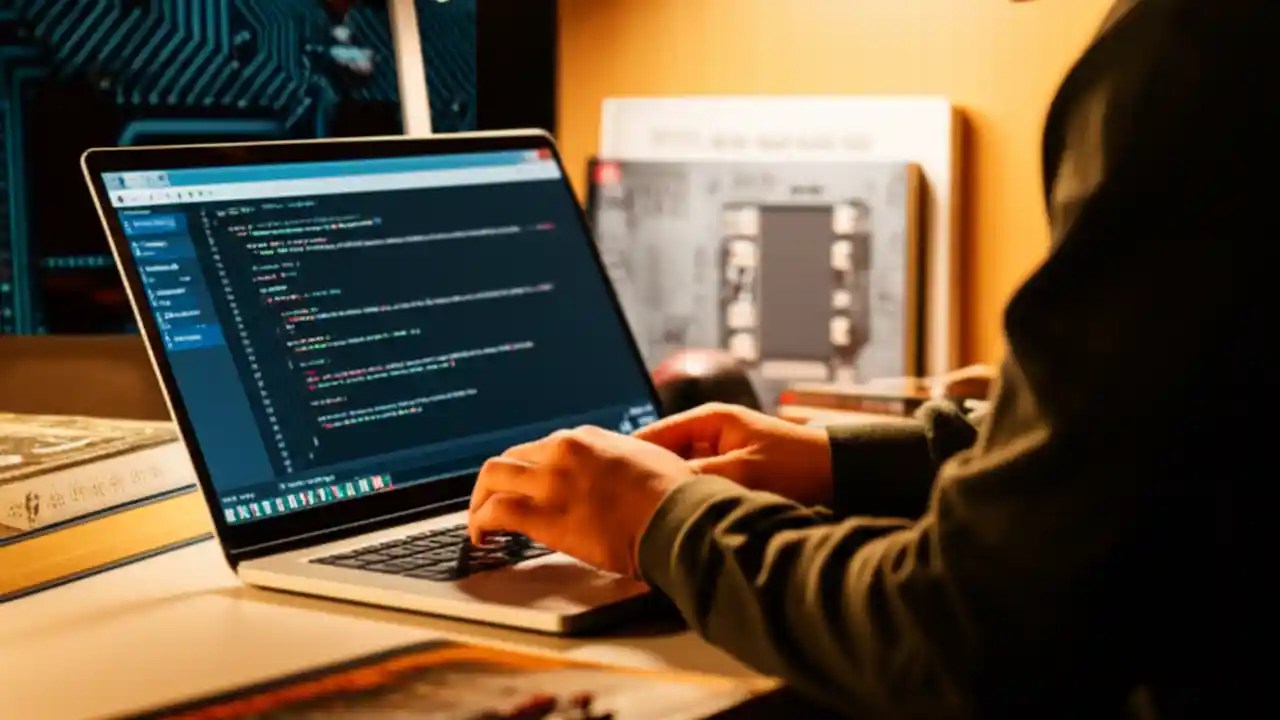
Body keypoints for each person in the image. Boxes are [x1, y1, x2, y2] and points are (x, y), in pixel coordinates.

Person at [469, 0, 1269, 716]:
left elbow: (969, 632)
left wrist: (666, 521)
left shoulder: (1191, 56)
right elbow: (1168, 443)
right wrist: (842, 461)